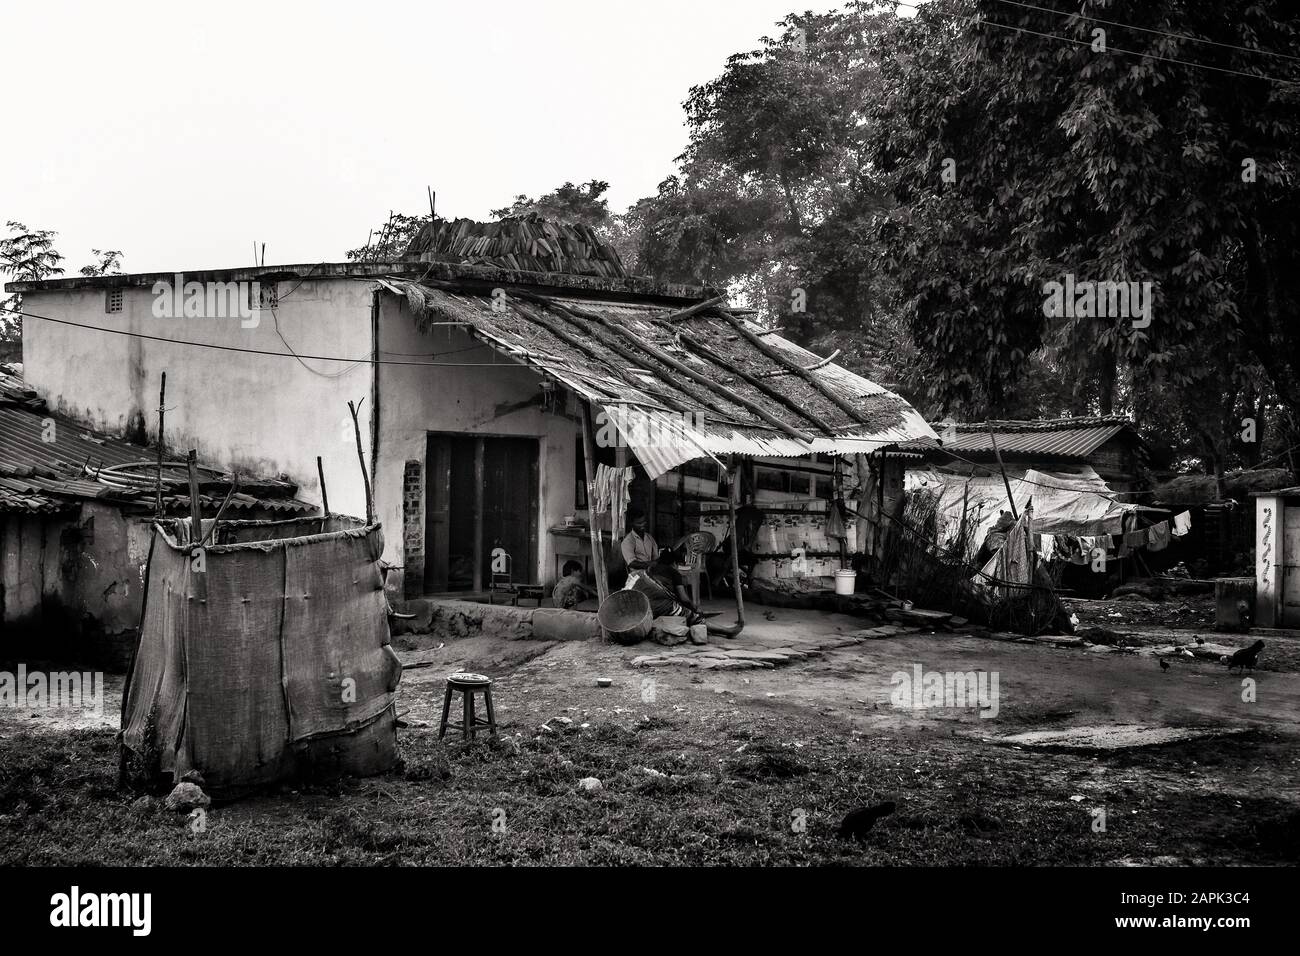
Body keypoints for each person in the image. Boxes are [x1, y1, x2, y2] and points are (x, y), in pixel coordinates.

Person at [620, 507, 703, 618]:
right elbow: (631, 563)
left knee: (675, 577)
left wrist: (659, 562)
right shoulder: (628, 541)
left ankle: (684, 606)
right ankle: (686, 607)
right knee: (673, 582)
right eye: (639, 523)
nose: (643, 524)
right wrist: (651, 564)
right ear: (632, 523)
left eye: (644, 521)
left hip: (652, 572)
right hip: (638, 576)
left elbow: (656, 559)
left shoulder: (649, 538)